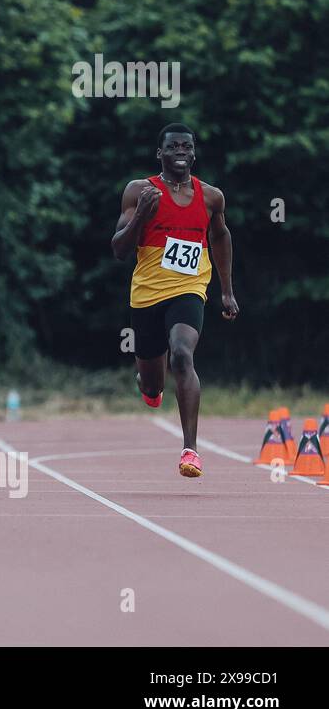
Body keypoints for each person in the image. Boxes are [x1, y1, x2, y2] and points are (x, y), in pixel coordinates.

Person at [111, 123, 238, 478]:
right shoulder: (139, 191)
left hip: (190, 287)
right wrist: (140, 217)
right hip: (148, 292)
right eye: (173, 147)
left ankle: (190, 450)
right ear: (160, 154)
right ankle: (148, 386)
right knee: (153, 383)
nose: (181, 151)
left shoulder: (211, 197)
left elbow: (221, 237)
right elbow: (119, 250)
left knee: (182, 355)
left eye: (187, 146)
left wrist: (225, 291)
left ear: (194, 154)